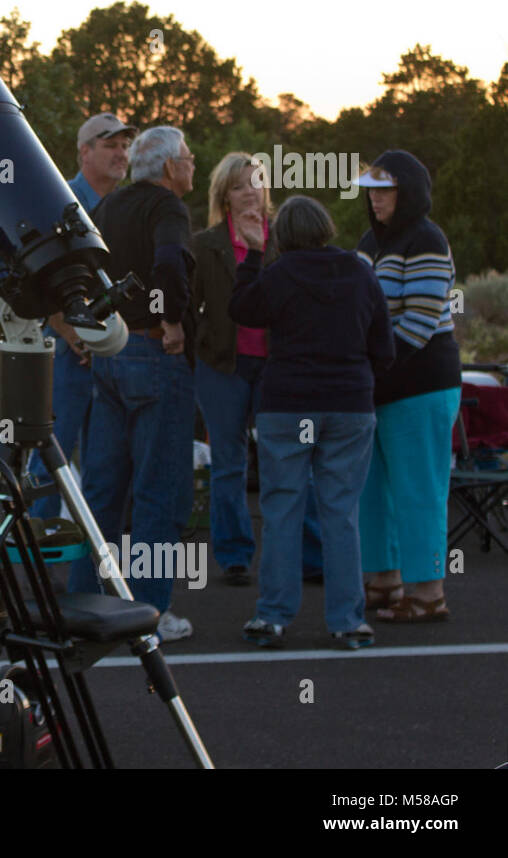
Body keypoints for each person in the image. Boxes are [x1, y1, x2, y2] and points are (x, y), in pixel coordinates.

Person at [229, 196, 394, 648]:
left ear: (282, 234)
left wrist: (253, 255)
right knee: (341, 512)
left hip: (288, 403)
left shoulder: (280, 275)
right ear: (325, 226)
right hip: (349, 403)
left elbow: (241, 310)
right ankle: (347, 619)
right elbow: (385, 347)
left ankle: (273, 616)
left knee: (282, 508)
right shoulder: (361, 272)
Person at [70, 126, 196, 641]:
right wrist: (173, 317)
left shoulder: (109, 206)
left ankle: (83, 601)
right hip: (151, 353)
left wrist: (88, 328)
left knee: (101, 487)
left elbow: (82, 268)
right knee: (157, 490)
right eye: (188, 157)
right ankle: (151, 610)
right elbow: (169, 260)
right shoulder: (167, 208)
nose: (192, 164)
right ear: (169, 168)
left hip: (110, 355)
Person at [354, 151, 461, 622]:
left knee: (420, 490)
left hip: (421, 383)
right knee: (372, 489)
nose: (375, 199)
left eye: (385, 190)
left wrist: (366, 367)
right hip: (377, 384)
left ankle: (428, 592)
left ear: (409, 191)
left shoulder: (427, 240)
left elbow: (419, 324)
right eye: (371, 190)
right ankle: (383, 581)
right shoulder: (368, 241)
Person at [28, 113, 136, 518]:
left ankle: (89, 568)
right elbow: (37, 277)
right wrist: (70, 331)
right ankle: (41, 559)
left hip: (110, 350)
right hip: (65, 353)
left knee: (104, 466)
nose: (121, 153)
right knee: (50, 455)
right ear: (84, 151)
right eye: (110, 145)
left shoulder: (124, 206)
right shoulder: (59, 199)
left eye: (125, 145)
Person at [191, 152, 273, 585]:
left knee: (287, 457)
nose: (250, 192)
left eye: (255, 183)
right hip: (222, 366)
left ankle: (308, 554)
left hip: (276, 365)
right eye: (240, 185)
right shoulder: (204, 244)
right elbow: (189, 306)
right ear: (224, 195)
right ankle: (235, 555)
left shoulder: (282, 239)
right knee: (229, 462)